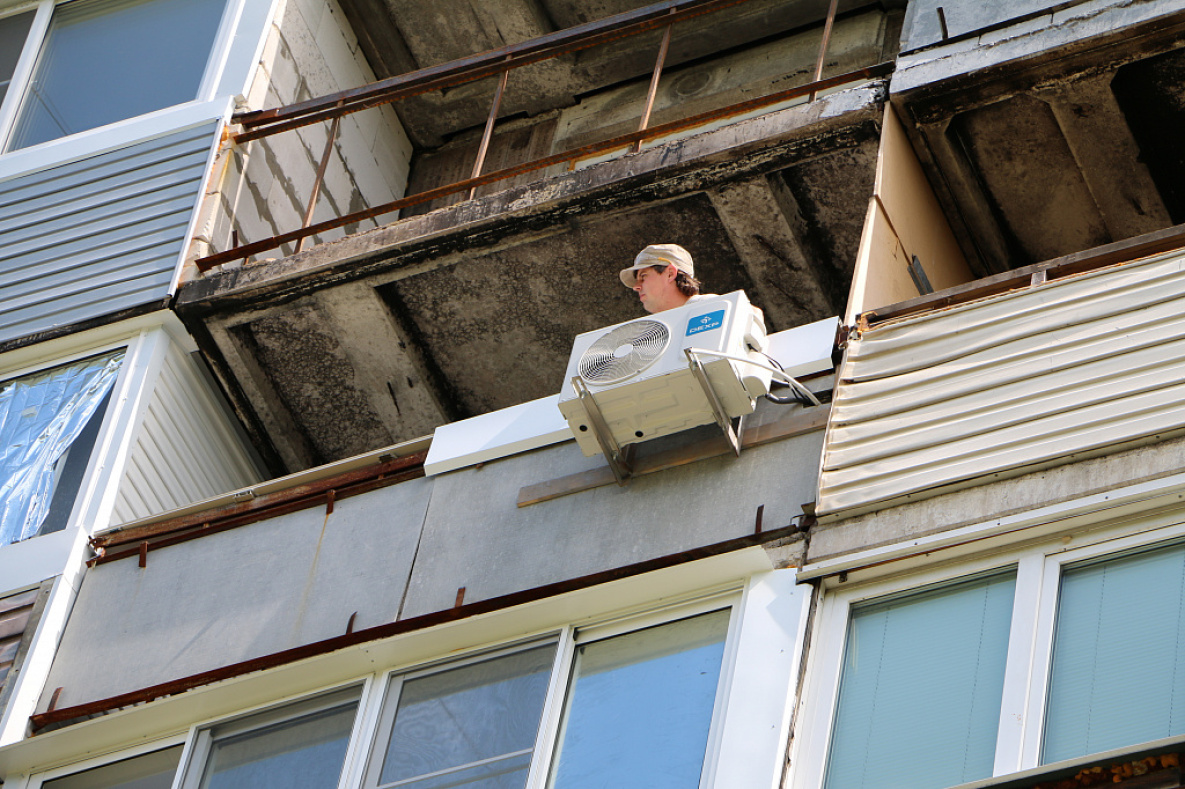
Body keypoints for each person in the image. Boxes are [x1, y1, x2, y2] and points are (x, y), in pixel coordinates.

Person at [618, 243, 711, 314]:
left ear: (670, 274)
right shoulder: (653, 333)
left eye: (643, 277)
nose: (636, 287)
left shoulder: (711, 307)